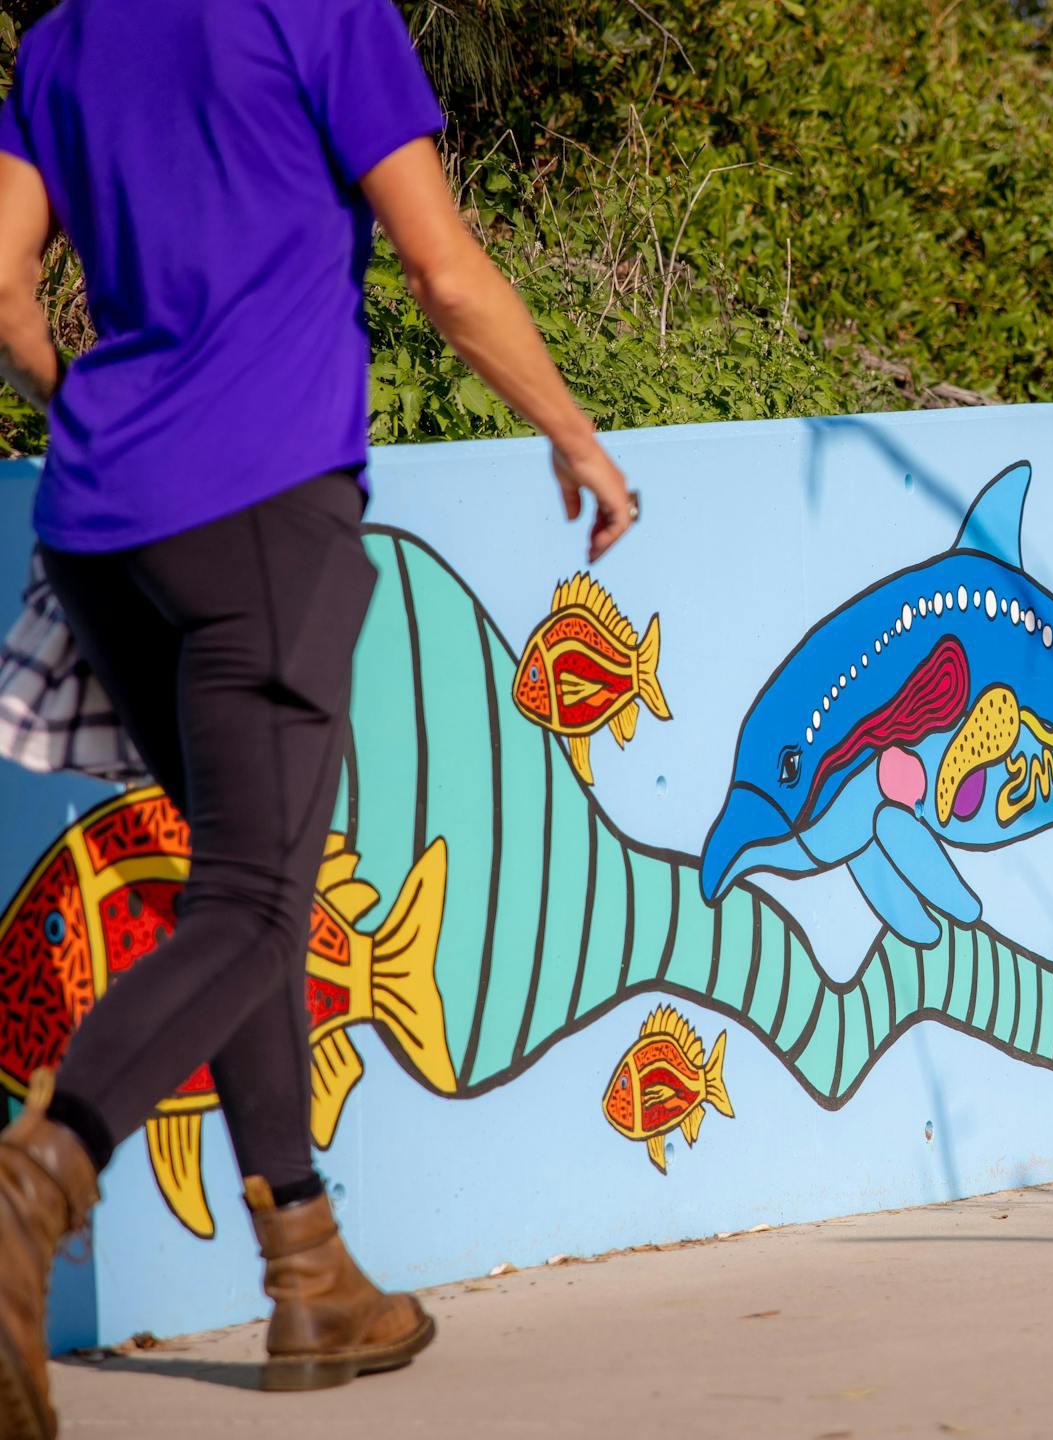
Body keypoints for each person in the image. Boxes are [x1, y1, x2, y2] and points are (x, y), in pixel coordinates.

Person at [0, 1, 635, 1431]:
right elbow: (443, 269)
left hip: (101, 529)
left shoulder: (64, 38)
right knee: (250, 900)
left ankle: (311, 1271)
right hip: (263, 509)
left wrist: (91, 418)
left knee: (253, 893)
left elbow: (1, 284)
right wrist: (573, 433)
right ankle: (34, 1184)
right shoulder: (322, 8)